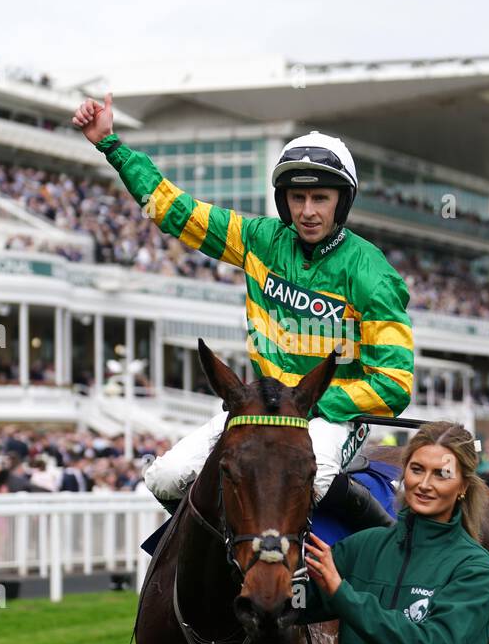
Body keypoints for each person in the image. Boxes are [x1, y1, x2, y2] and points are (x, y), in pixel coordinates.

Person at [72, 93, 415, 551]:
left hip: (332, 415)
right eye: (298, 197)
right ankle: (225, 559)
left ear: (342, 201)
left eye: (320, 197)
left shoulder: (372, 274)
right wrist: (111, 145)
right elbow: (177, 212)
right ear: (284, 199)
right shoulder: (259, 240)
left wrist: (310, 403)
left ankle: (394, 550)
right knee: (166, 477)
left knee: (316, 478)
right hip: (260, 404)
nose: (308, 210)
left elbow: (394, 382)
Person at [301, 421, 489, 644]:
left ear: (463, 486)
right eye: (417, 469)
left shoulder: (475, 568)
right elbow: (295, 605)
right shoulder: (363, 547)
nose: (424, 484)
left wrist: (342, 594)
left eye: (441, 474)